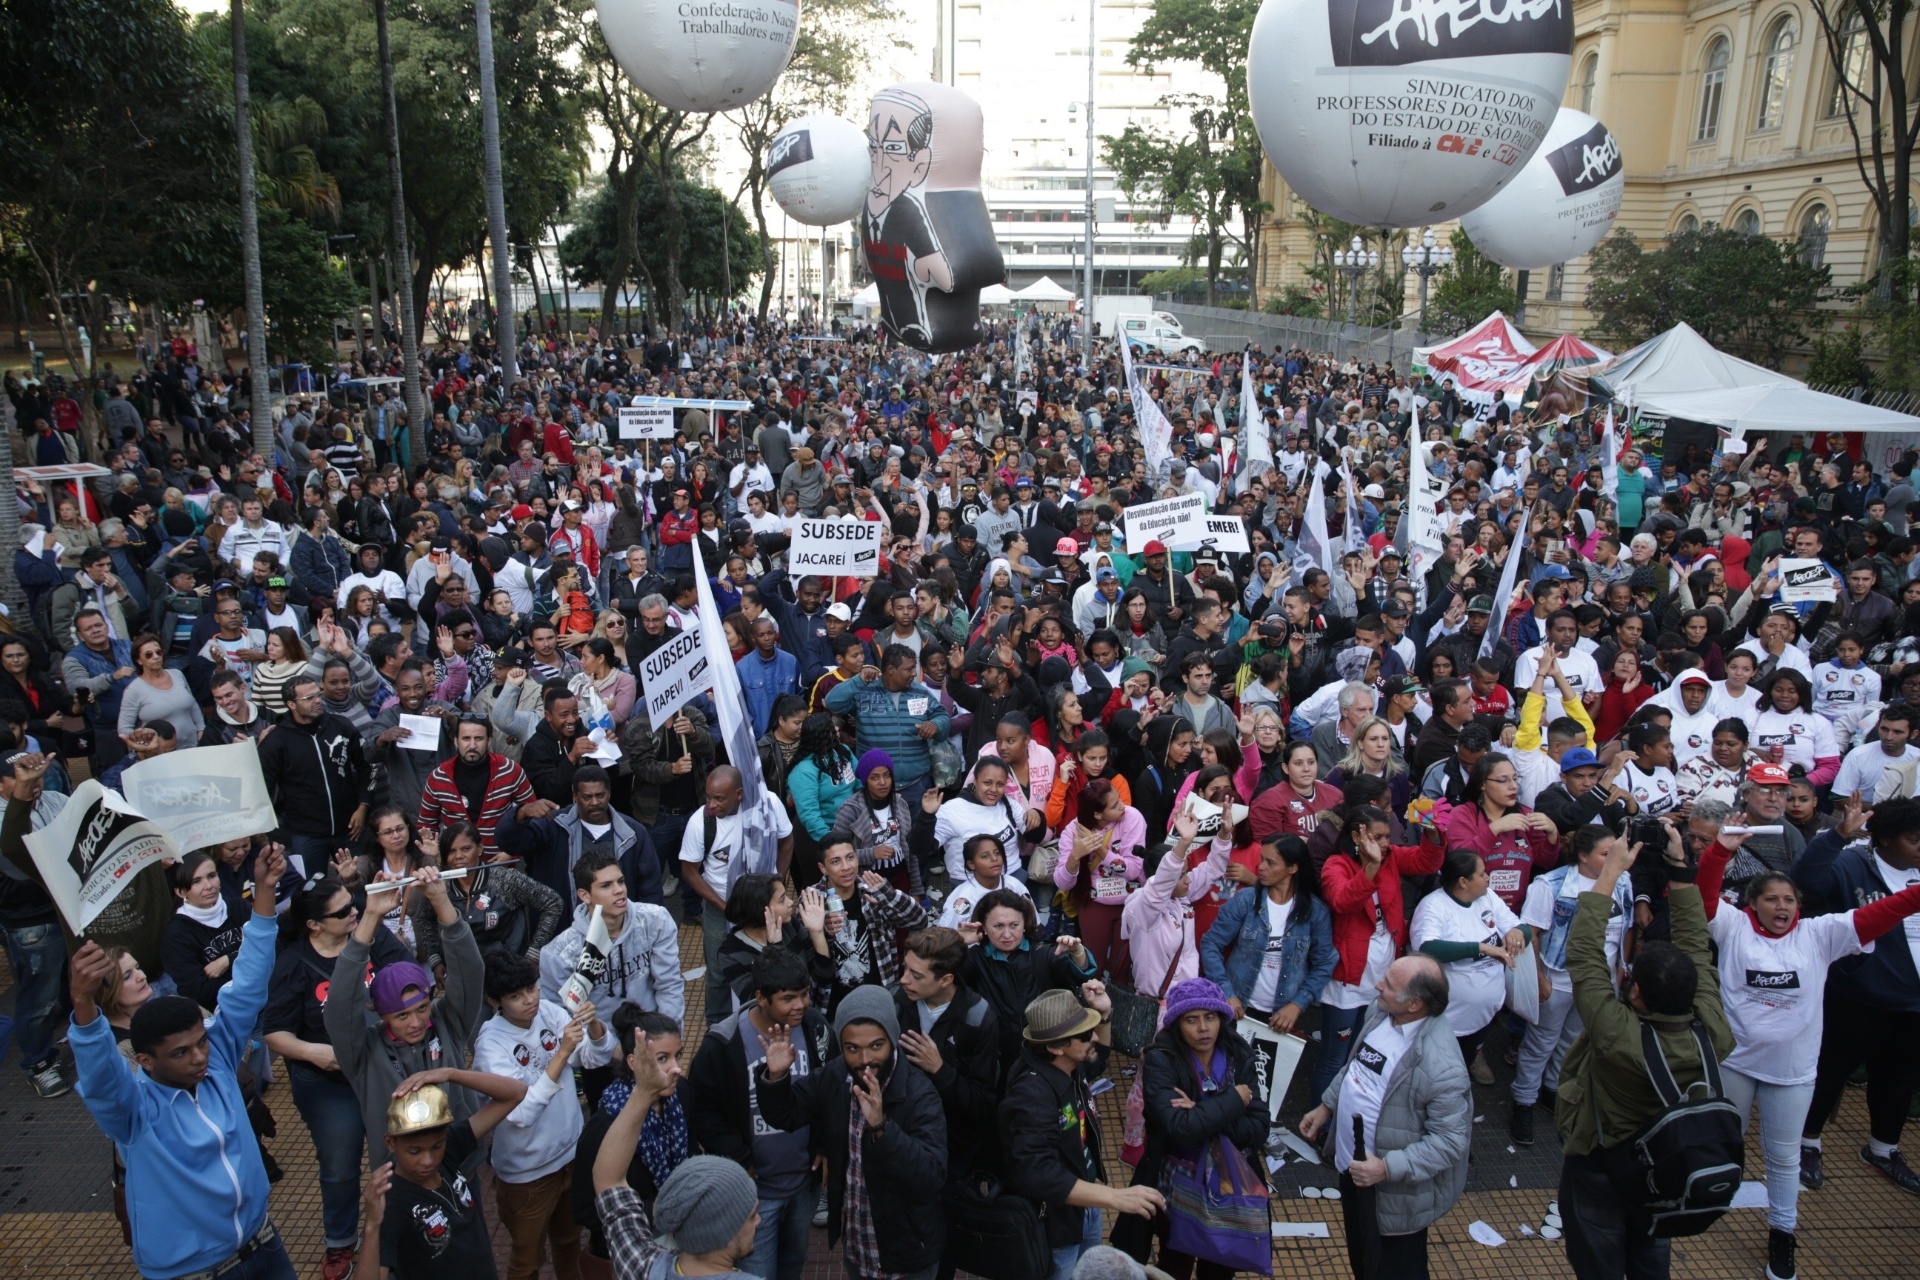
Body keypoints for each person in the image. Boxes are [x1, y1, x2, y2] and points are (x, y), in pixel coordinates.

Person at [1690, 797, 1920, 1280]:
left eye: (1789, 900)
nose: (1781, 907)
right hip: (1736, 1064)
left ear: (1800, 905)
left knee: (1784, 1157)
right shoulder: (1731, 928)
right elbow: (1705, 896)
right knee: (1722, 1139)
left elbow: (1883, 913)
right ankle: (1702, 1200)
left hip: (1792, 1074)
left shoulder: (1821, 934)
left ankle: (1783, 1234)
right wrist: (1719, 853)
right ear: (1752, 905)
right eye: (1771, 900)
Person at [67, 844, 295, 1280]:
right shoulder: (134, 1112)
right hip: (192, 1272)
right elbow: (100, 1079)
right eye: (181, 1052)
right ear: (145, 1062)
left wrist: (264, 893)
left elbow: (247, 984)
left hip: (263, 1243)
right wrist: (82, 1003)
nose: (200, 1058)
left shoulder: (219, 1059)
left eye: (201, 1043)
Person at [1554, 832, 1731, 1280]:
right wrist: (1681, 872)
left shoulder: (1617, 1034)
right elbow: (1697, 949)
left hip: (1601, 1162)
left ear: (1635, 995)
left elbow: (1582, 953)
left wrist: (1611, 870)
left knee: (1598, 1261)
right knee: (1651, 1255)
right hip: (1667, 1164)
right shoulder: (1712, 1028)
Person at [756, 985, 950, 1280]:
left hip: (908, 1255)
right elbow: (786, 1114)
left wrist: (882, 1128)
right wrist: (776, 1077)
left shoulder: (918, 1093)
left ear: (892, 1040)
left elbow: (931, 1176)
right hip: (858, 1249)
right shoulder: (836, 1077)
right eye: (852, 1048)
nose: (864, 1060)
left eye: (876, 1045)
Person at [1299, 955, 1470, 1280]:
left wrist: (1386, 1168)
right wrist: (1327, 1106)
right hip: (1354, 1173)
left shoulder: (1442, 1068)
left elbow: (1450, 1143)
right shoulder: (1383, 1012)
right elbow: (1357, 1066)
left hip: (1394, 1195)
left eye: (1389, 985)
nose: (1378, 985)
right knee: (1363, 1263)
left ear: (1415, 1003)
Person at [1793, 795, 1920, 1199]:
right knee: (1830, 1072)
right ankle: (1807, 1144)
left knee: (1897, 1081)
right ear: (1883, 838)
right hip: (1857, 996)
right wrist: (1836, 836)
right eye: (1914, 839)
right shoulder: (1853, 864)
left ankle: (1883, 1149)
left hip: (1913, 1003)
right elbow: (1806, 882)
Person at [685, 947, 832, 1280]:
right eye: (789, 998)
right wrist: (739, 1158)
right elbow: (704, 1111)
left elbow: (829, 1092)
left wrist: (823, 1145)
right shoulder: (723, 1044)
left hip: (801, 1186)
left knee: (793, 1264)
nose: (801, 1005)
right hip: (755, 1194)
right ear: (761, 998)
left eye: (805, 995)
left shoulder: (816, 1029)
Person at [327, 862, 488, 1160]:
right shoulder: (363, 1052)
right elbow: (339, 1004)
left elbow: (469, 971)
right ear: (382, 1015)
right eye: (402, 1016)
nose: (416, 1022)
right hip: (399, 1175)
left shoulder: (446, 1023)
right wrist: (371, 915)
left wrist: (440, 901)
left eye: (422, 1008)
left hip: (459, 1164)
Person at [1000, 987, 1164, 1280]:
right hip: (1058, 1223)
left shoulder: (1065, 1065)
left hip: (1086, 1206)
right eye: (1086, 1034)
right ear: (1055, 1047)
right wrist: (1114, 1198)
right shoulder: (1032, 1096)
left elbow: (1097, 1059)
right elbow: (1037, 1173)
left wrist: (1105, 1013)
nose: (1096, 1037)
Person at [473, 954, 618, 1280]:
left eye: (532, 988)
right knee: (527, 1260)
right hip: (527, 1176)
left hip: (571, 1157)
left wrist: (594, 1026)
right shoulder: (490, 1046)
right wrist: (563, 1052)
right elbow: (521, 1114)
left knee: (568, 1243)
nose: (529, 1000)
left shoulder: (549, 1011)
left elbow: (596, 1057)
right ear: (494, 1001)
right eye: (516, 996)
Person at [1133, 979, 1272, 1280]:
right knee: (1173, 1263)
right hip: (1176, 1184)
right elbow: (1178, 1129)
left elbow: (1259, 1128)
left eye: (1210, 1017)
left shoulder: (1239, 1055)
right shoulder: (1161, 1060)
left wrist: (1199, 1109)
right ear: (1177, 1024)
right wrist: (1234, 1099)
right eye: (1191, 1020)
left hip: (1229, 1183)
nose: (1203, 1028)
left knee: (1220, 1267)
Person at [1509, 826, 1637, 1148]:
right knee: (1541, 1042)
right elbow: (1532, 934)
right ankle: (1523, 1101)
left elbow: (1628, 929)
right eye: (1606, 855)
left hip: (1598, 986)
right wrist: (1540, 978)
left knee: (1573, 1040)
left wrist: (1620, 971)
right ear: (1582, 855)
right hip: (1558, 980)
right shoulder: (1550, 884)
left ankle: (1551, 1089)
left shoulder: (1622, 881)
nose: (1614, 861)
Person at [358, 1069, 531, 1280]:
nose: (428, 1160)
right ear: (390, 1143)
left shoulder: (449, 1152)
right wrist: (372, 1225)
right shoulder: (391, 1203)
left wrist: (450, 1074)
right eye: (414, 1151)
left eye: (436, 1145)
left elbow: (516, 1092)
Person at [538, 851, 685, 1083]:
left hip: (654, 1045)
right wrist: (614, 1052)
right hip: (601, 1058)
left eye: (621, 881)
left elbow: (669, 985)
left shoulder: (655, 921)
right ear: (584, 895)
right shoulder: (560, 954)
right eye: (606, 885)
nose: (619, 890)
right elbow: (561, 1019)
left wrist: (665, 1041)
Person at [572, 1007, 691, 1273]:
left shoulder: (680, 1095)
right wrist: (651, 1212)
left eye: (678, 1055)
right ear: (633, 1062)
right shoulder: (605, 1126)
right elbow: (583, 1208)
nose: (676, 1068)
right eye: (662, 1058)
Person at [680, 765, 796, 1022]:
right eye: (708, 797)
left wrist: (777, 882)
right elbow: (689, 870)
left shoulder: (768, 805)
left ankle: (767, 1019)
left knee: (773, 962)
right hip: (719, 909)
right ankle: (717, 1025)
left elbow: (787, 840)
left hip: (765, 908)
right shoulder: (701, 822)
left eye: (719, 798)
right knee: (718, 972)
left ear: (740, 794)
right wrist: (724, 907)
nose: (711, 805)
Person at [893, 926, 1002, 1184]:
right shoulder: (894, 1003)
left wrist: (940, 1070)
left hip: (953, 1153)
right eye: (905, 968)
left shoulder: (978, 1019)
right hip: (900, 1139)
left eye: (916, 975)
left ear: (946, 980)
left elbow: (983, 1105)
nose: (903, 980)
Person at [1201, 832, 1335, 1033]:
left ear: (1293, 868)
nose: (1260, 867)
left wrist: (1298, 1004)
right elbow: (1211, 943)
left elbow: (1325, 961)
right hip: (1238, 1008)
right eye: (1261, 859)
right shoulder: (1244, 900)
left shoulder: (1315, 912)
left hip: (1282, 1017)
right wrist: (1226, 992)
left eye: (1270, 863)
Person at [1410, 849, 1531, 1070]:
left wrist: (1518, 933)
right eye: (1482, 874)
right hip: (1446, 1022)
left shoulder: (1488, 897)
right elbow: (1428, 948)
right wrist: (1482, 948)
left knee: (1462, 1069)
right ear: (1464, 882)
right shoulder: (1433, 906)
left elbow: (1521, 927)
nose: (1488, 878)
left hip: (1482, 1018)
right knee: (1434, 1075)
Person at [411, 821, 564, 986]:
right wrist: (435, 959)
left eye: (466, 849)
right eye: (451, 851)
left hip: (509, 977)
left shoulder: (505, 879)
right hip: (464, 979)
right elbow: (424, 917)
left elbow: (553, 902)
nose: (459, 856)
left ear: (480, 848)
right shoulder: (442, 885)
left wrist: (533, 954)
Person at [497, 763, 664, 908]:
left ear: (609, 793)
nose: (595, 802)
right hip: (566, 929)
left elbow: (650, 887)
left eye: (600, 795)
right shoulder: (552, 826)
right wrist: (520, 813)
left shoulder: (633, 833)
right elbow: (508, 842)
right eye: (587, 797)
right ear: (575, 796)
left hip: (618, 929)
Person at [805, 831, 929, 1015]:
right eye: (836, 861)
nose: (846, 867)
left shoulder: (873, 889)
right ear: (823, 868)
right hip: (834, 1004)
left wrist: (889, 897)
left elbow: (920, 920)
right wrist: (822, 931)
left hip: (881, 995)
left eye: (850, 857)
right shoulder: (812, 900)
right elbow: (804, 956)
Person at [258, 674, 372, 874]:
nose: (318, 700)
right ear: (291, 705)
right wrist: (279, 832)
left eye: (317, 694)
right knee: (311, 892)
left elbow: (367, 767)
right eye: (308, 698)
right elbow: (262, 788)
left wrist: (363, 806)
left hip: (349, 829)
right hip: (305, 834)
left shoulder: (341, 726)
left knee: (360, 885)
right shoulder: (276, 741)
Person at [161, 851, 247, 1012]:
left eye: (212, 875)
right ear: (181, 892)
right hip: (226, 1013)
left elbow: (273, 946)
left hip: (268, 999)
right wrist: (252, 966)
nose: (208, 886)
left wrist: (229, 959)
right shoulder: (176, 936)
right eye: (196, 881)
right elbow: (200, 991)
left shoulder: (239, 907)